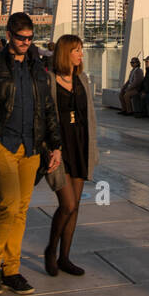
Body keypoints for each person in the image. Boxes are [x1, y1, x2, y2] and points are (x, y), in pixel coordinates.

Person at [0, 13, 61, 296]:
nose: (26, 43)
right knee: (8, 205)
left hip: (31, 148)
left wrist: (55, 145)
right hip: (4, 146)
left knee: (21, 210)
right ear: (9, 35)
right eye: (21, 38)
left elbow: (48, 109)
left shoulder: (37, 68)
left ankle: (12, 270)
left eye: (30, 38)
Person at [44, 34, 96, 277]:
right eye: (76, 50)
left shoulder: (81, 79)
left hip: (80, 146)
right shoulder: (48, 81)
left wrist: (92, 149)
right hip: (58, 148)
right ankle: (50, 251)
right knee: (67, 204)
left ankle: (65, 257)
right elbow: (43, 118)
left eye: (81, 50)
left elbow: (91, 117)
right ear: (65, 53)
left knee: (76, 208)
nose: (81, 54)